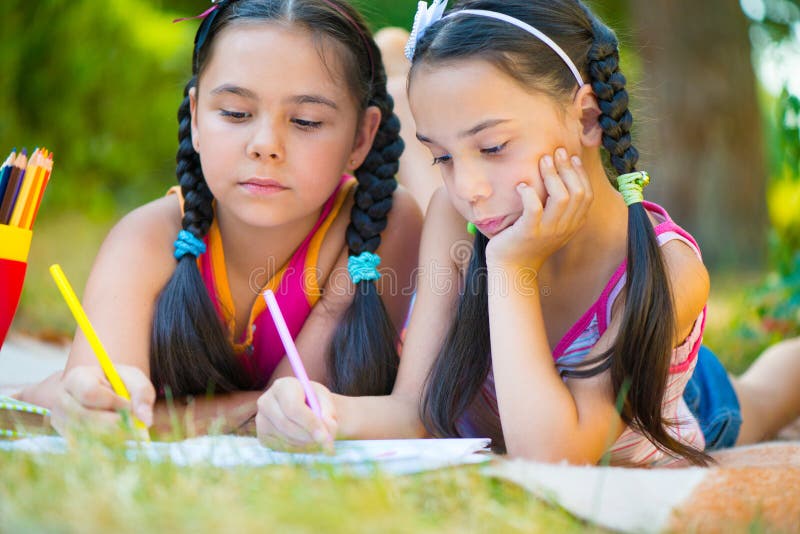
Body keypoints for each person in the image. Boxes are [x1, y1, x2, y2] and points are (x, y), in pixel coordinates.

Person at [256, 0, 800, 466]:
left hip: (669, 390)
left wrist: (512, 267)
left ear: (587, 119)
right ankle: (401, 82)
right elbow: (414, 410)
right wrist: (315, 409)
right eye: (441, 155)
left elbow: (552, 455)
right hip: (593, 358)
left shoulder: (670, 272)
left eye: (492, 147)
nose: (467, 186)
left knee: (765, 394)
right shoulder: (456, 213)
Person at [17, 0, 422, 437]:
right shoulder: (146, 238)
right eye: (235, 113)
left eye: (306, 121)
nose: (265, 145)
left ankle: (397, 73)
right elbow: (103, 407)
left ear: (361, 136)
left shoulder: (381, 223)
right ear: (194, 116)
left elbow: (289, 404)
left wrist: (168, 417)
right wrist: (81, 401)